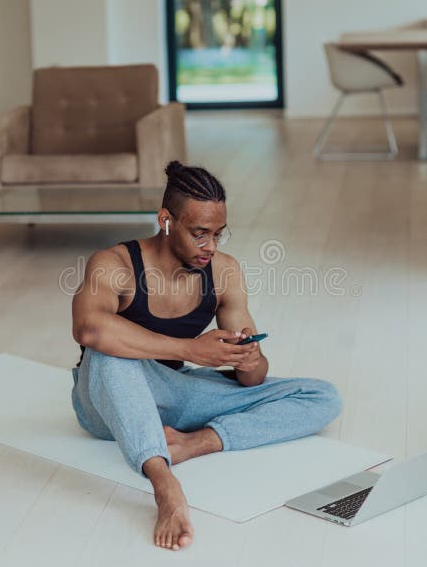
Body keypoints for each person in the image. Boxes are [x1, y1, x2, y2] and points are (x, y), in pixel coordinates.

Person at [70, 161, 342, 552]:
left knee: (322, 396)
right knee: (106, 354)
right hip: (104, 401)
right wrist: (190, 349)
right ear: (166, 221)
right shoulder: (114, 265)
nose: (211, 246)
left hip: (174, 393)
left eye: (218, 234)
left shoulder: (224, 272)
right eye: (199, 234)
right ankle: (164, 483)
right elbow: (89, 329)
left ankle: (193, 443)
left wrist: (249, 359)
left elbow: (253, 379)